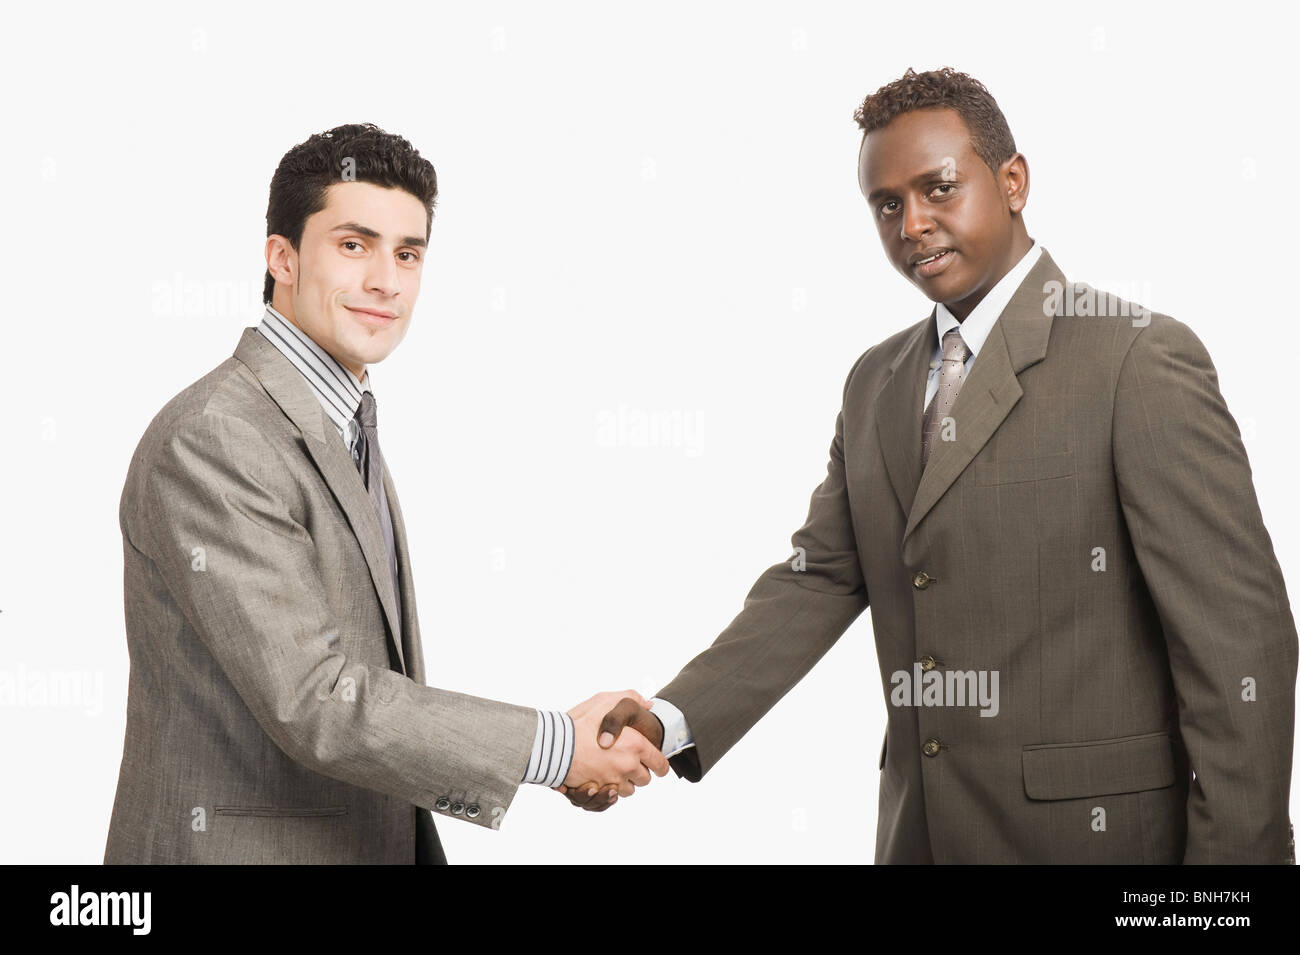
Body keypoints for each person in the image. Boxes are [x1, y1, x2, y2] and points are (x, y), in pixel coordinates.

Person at [565, 67, 1298, 864]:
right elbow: (819, 578)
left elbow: (1242, 643)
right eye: (886, 203)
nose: (912, 223)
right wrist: (669, 721)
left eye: (938, 188)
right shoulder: (874, 382)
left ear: (1012, 181)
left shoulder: (1135, 359)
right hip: (919, 838)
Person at [104, 123, 666, 864]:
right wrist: (555, 747)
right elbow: (317, 700)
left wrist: (557, 752)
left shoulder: (341, 415)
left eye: (407, 254)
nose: (386, 280)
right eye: (353, 245)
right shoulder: (216, 436)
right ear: (282, 257)